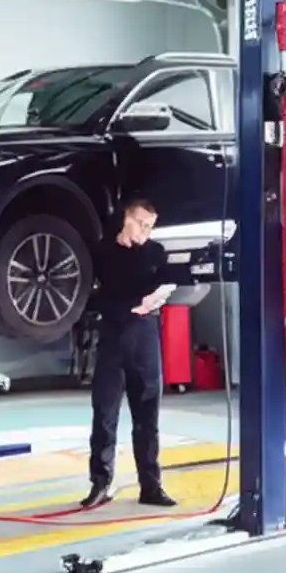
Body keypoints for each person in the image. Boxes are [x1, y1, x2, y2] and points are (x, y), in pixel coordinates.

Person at [81, 196, 178, 508]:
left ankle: (151, 486)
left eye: (150, 226)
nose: (144, 231)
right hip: (112, 339)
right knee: (105, 415)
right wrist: (128, 306)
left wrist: (156, 298)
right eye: (139, 223)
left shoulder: (155, 253)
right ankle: (100, 483)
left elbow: (166, 286)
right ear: (125, 218)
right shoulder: (101, 252)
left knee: (147, 418)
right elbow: (90, 299)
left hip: (145, 341)